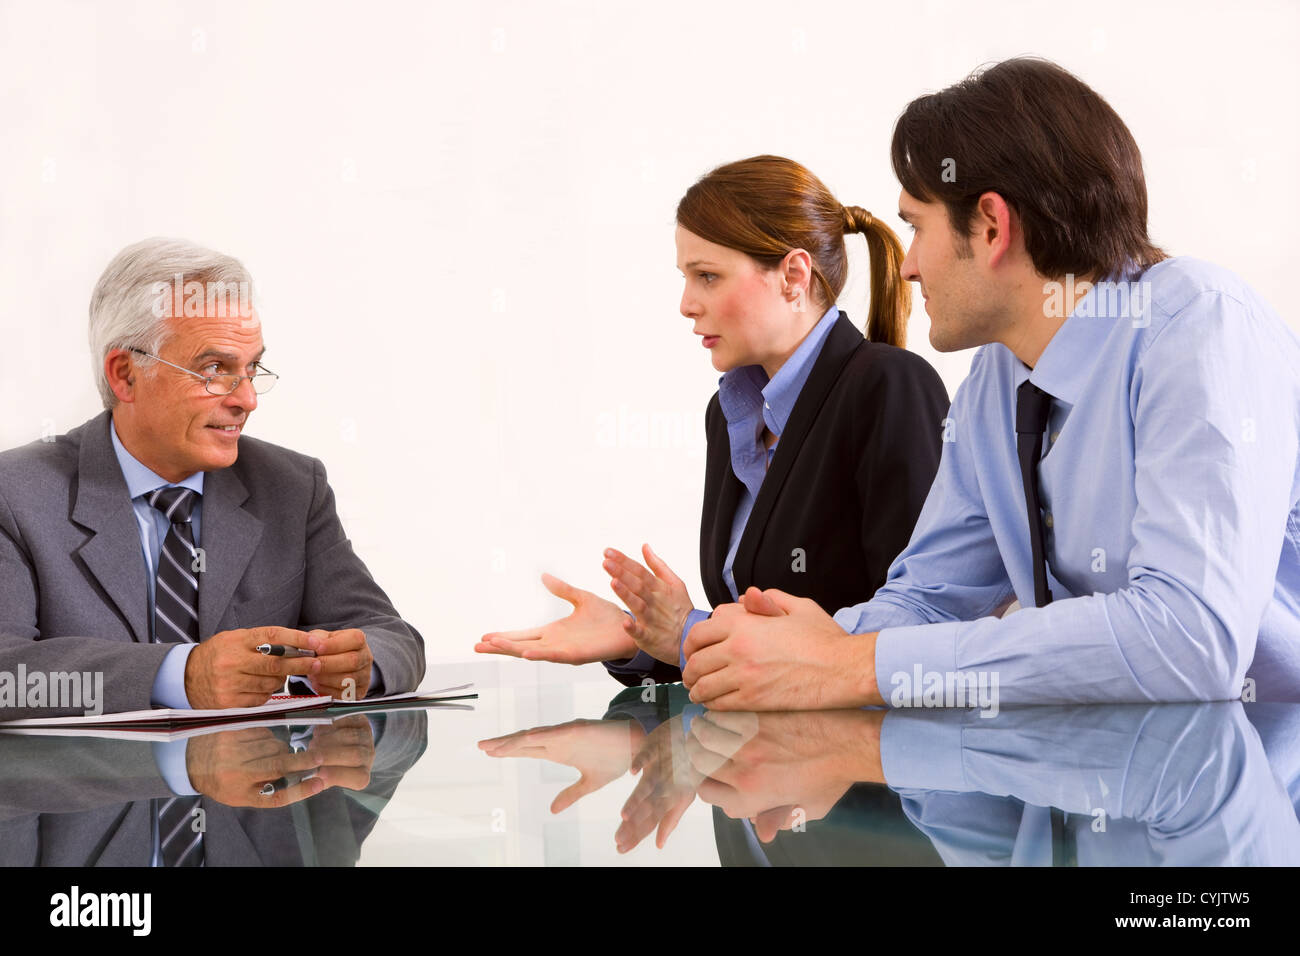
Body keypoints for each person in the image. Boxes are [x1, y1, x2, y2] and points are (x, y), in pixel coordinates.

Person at [681, 57, 1300, 710]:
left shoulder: (1200, 325)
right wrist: (803, 648)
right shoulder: (995, 382)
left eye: (917, 226)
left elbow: (1186, 642)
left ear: (993, 227)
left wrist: (856, 664)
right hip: (1103, 778)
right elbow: (931, 598)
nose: (909, 265)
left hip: (1263, 773)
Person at [476, 155, 950, 683]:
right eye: (686, 277)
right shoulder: (731, 413)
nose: (686, 304)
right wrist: (640, 636)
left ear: (793, 275)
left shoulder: (888, 387)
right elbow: (746, 636)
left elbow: (917, 626)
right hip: (771, 752)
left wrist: (685, 631)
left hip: (873, 756)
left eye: (707, 276)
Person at [0, 238, 425, 719]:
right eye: (215, 369)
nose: (247, 399)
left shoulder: (290, 487)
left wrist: (358, 664)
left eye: (253, 368)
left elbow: (393, 638)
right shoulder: (14, 493)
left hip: (249, 789)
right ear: (125, 375)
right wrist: (181, 675)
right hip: (94, 789)